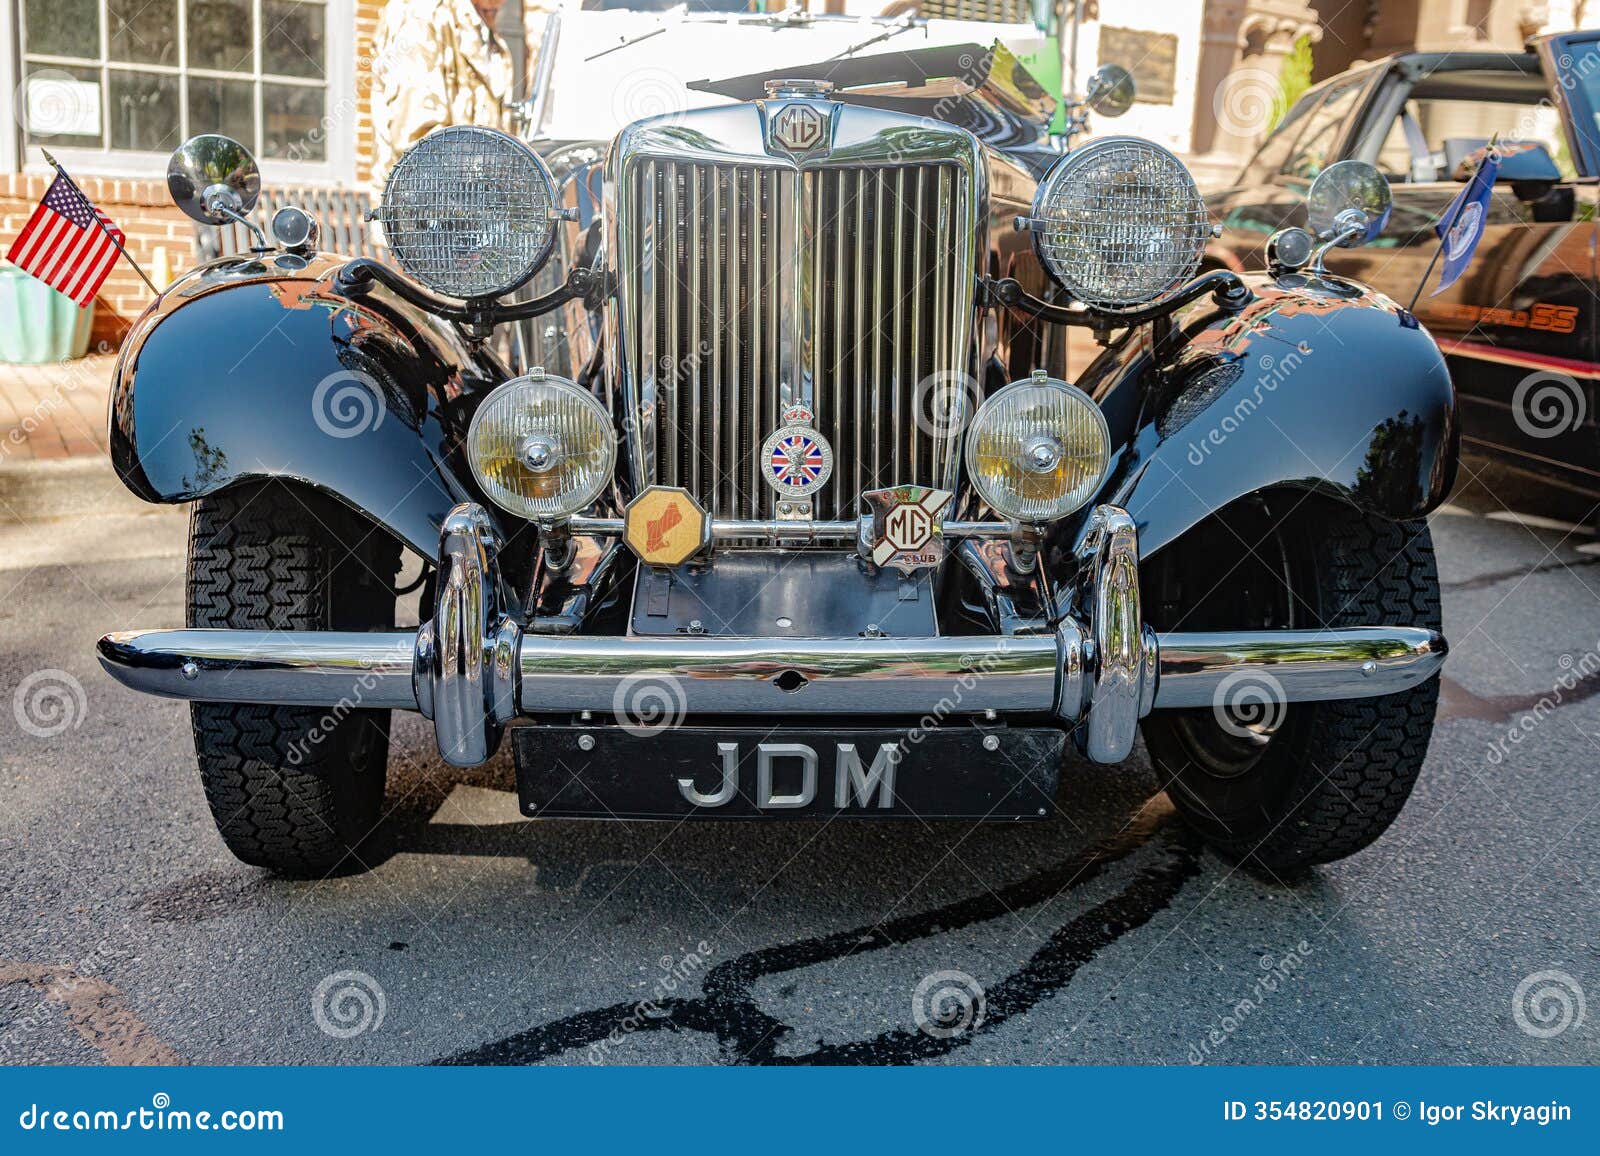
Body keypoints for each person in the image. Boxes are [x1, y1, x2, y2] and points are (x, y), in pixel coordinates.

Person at [369, 0, 516, 199]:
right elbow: (416, 139)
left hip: (472, 212)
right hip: (416, 214)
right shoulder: (420, 14)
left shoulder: (490, 36)